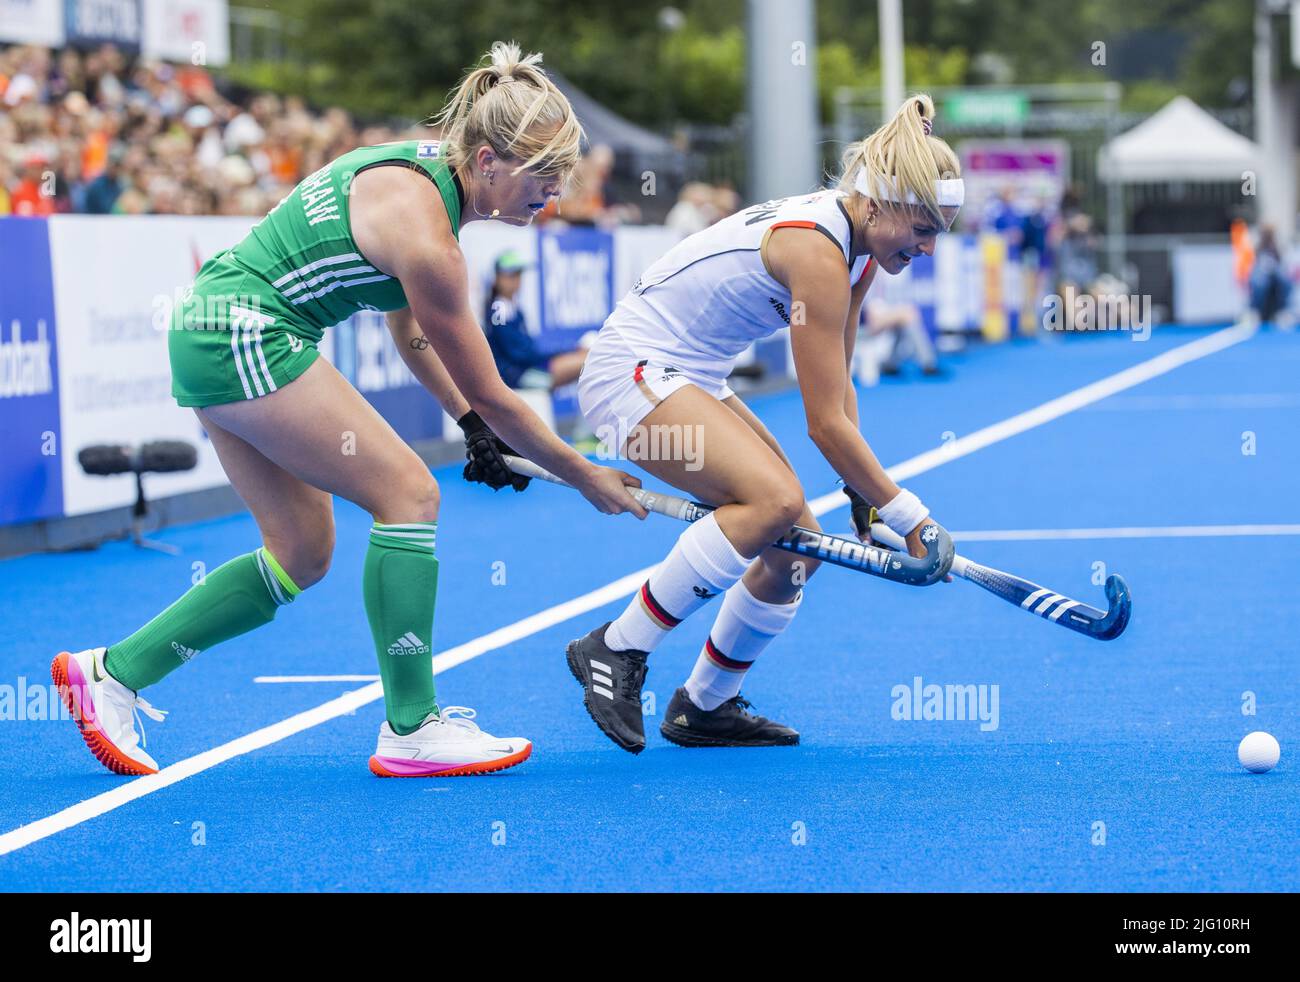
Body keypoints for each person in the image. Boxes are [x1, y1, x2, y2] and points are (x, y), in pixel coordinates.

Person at [51, 41, 647, 780]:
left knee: (303, 550)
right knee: (410, 494)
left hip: (216, 328)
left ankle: (112, 673)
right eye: (544, 175)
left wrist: (467, 426)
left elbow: (411, 329)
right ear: (490, 160)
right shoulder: (432, 240)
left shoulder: (429, 175)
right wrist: (583, 473)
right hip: (247, 331)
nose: (552, 195)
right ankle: (411, 726)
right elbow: (496, 390)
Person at [565, 94, 959, 753]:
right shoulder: (818, 253)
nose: (927, 246)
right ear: (881, 201)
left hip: (689, 377)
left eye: (939, 232)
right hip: (628, 373)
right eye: (923, 227)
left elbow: (840, 384)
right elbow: (823, 424)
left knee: (794, 552)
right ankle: (614, 647)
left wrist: (864, 494)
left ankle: (705, 705)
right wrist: (912, 517)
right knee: (773, 501)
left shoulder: (858, 250)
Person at [484, 249, 587, 389]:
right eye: (511, 275)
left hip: (524, 368)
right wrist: (561, 353)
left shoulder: (512, 308)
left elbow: (525, 350)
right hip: (513, 376)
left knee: (583, 359)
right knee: (584, 361)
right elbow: (518, 353)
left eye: (519, 274)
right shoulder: (498, 309)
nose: (516, 280)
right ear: (498, 278)